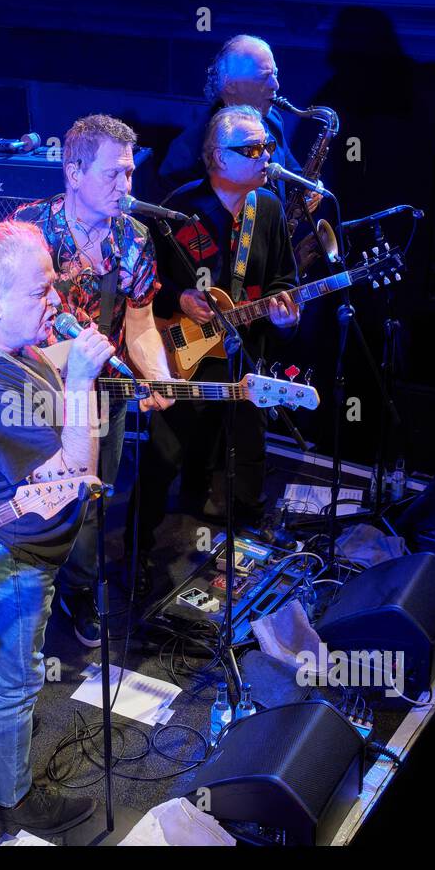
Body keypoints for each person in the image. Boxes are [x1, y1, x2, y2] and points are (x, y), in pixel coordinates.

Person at [0, 220, 114, 834]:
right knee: (17, 681)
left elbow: (40, 381)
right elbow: (75, 478)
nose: (56, 302)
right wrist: (86, 382)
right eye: (41, 292)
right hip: (10, 554)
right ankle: (9, 801)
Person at [11, 114, 173, 648]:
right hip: (35, 387)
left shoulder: (135, 238)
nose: (126, 187)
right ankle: (28, 581)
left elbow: (142, 323)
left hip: (102, 391)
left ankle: (79, 589)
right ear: (74, 172)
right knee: (35, 489)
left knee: (90, 496)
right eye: (114, 175)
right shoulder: (28, 230)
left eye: (130, 175)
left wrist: (160, 376)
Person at [130, 105, 300, 592]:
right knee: (164, 457)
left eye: (265, 146)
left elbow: (285, 279)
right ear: (215, 159)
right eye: (250, 149)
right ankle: (138, 553)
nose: (265, 155)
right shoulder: (179, 210)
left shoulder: (266, 207)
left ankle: (243, 551)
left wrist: (287, 312)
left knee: (249, 454)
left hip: (243, 358)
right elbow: (146, 289)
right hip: (184, 357)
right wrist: (178, 297)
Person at [158, 35, 305, 200]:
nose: (275, 85)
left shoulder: (273, 119)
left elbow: (293, 173)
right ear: (230, 84)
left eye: (275, 74)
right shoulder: (189, 148)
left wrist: (308, 189)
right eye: (264, 76)